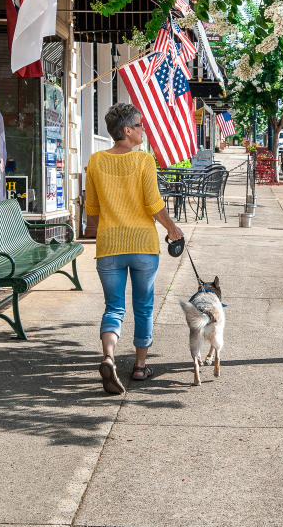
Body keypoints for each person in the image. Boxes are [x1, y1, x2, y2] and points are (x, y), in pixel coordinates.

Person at [84, 103, 184, 394]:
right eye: (139, 126)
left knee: (113, 307)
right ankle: (140, 367)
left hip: (109, 245)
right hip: (142, 245)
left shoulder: (95, 161)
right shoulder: (143, 161)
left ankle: (108, 357)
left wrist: (100, 232)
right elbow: (153, 204)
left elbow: (92, 208)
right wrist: (172, 228)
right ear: (127, 131)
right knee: (144, 306)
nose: (143, 130)